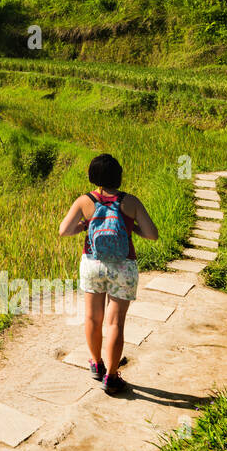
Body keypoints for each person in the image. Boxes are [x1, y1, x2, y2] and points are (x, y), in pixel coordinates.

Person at [57, 153, 158, 396]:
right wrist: (130, 226)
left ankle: (96, 363)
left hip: (93, 263)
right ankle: (112, 378)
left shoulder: (85, 201)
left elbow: (64, 230)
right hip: (123, 266)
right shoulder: (131, 202)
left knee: (93, 318)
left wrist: (84, 225)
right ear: (119, 175)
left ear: (93, 176)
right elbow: (152, 234)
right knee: (115, 323)